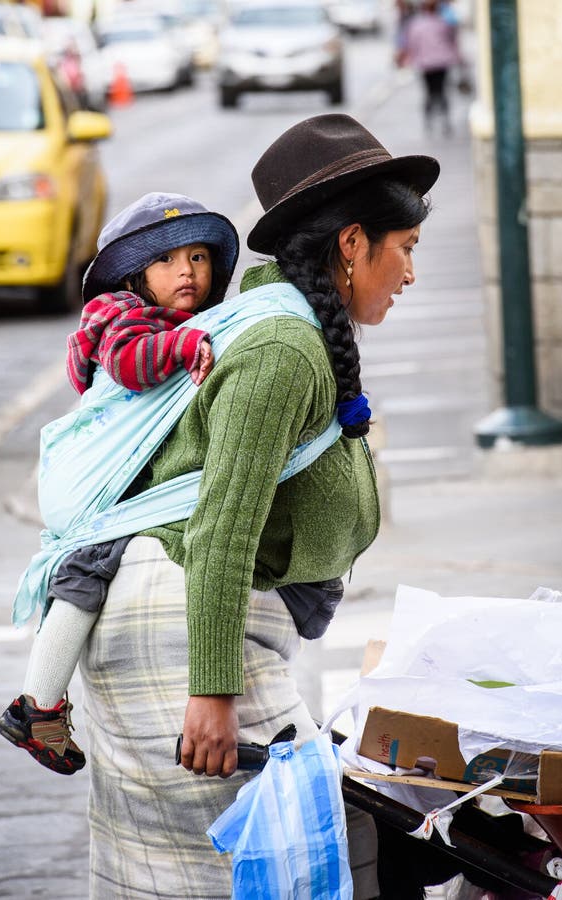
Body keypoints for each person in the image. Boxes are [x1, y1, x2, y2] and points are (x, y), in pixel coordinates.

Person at [75, 113, 440, 898]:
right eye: (404, 249)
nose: (410, 273)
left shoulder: (298, 332)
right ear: (351, 243)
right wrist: (210, 694)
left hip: (209, 627)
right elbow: (221, 524)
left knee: (288, 860)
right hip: (182, 639)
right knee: (270, 865)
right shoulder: (279, 352)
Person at [0, 193, 239, 774]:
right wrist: (181, 347)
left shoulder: (187, 326)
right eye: (169, 261)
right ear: (136, 274)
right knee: (89, 567)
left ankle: (41, 704)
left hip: (121, 480)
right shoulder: (120, 316)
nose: (188, 271)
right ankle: (38, 704)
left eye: (200, 257)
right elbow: (131, 366)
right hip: (93, 479)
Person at [400, 0, 462, 135]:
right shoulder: (443, 23)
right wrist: (458, 58)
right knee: (441, 91)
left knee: (429, 92)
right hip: (441, 62)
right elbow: (453, 42)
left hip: (425, 64)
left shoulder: (416, 25)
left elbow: (410, 44)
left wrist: (407, 59)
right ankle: (445, 121)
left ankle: (429, 121)